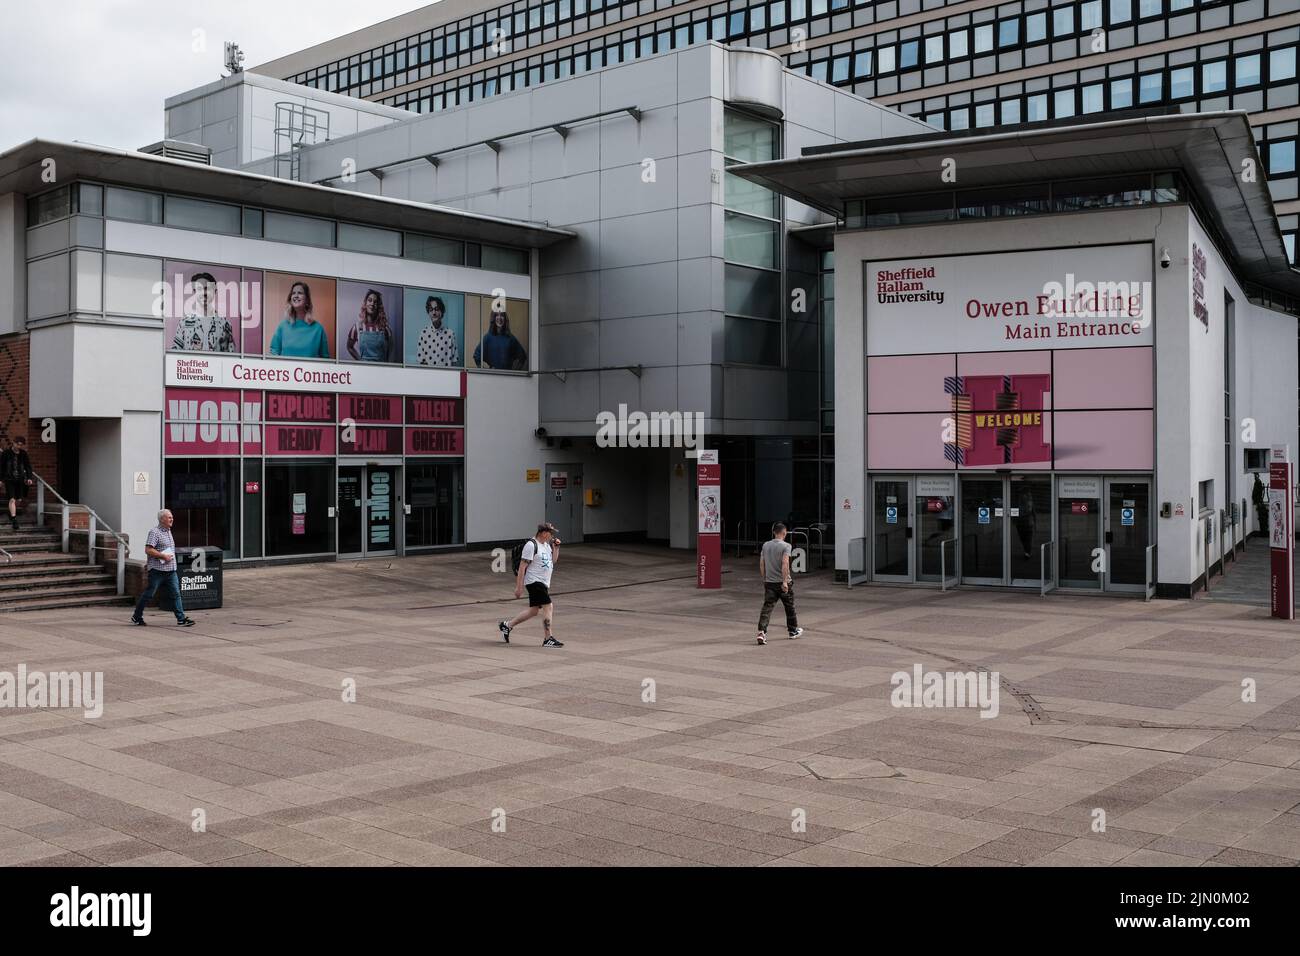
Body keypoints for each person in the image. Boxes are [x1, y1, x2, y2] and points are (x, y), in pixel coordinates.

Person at [498, 522, 564, 647]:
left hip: (543, 583)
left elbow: (553, 561)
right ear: (544, 533)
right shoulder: (531, 545)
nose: (552, 536)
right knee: (548, 606)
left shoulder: (546, 545)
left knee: (534, 611)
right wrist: (519, 587)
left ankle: (507, 626)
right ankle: (548, 638)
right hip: (534, 581)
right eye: (551, 533)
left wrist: (556, 548)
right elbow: (522, 567)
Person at [131, 509, 196, 627]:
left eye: (172, 517)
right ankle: (137, 616)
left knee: (176, 594)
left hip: (171, 570)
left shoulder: (168, 531)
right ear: (162, 519)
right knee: (149, 594)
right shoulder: (154, 532)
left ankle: (181, 619)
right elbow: (148, 549)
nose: (172, 519)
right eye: (169, 517)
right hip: (157, 571)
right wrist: (162, 556)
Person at [756, 522, 803, 645]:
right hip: (782, 583)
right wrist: (784, 581)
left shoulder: (766, 545)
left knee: (767, 608)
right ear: (784, 532)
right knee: (789, 607)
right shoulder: (786, 546)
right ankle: (793, 631)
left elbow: (762, 563)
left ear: (774, 532)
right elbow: (785, 563)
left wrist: (764, 579)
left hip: (769, 582)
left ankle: (761, 632)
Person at [172, 271, 236, 352]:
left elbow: (231, 354)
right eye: (199, 289)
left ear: (214, 291)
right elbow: (175, 353)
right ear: (194, 292)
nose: (203, 293)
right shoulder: (184, 322)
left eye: (207, 288)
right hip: (191, 364)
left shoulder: (224, 324)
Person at [268, 281, 330, 358]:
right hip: (286, 370)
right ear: (290, 299)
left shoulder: (318, 329)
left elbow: (325, 359)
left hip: (309, 370)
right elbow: (273, 353)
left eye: (300, 293)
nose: (296, 296)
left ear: (307, 300)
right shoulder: (282, 326)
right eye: (293, 293)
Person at [345, 289, 393, 362]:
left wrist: (387, 364)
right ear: (365, 303)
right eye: (370, 300)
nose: (372, 304)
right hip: (364, 371)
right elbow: (349, 347)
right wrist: (360, 361)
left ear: (378, 306)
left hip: (381, 370)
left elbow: (391, 349)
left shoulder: (385, 328)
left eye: (375, 302)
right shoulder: (357, 327)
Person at [1, 435, 34, 531]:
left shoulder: (23, 454)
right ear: (13, 442)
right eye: (17, 444)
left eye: (20, 445)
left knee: (18, 500)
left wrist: (29, 477)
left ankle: (12, 512)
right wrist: (1, 479)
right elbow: (1, 467)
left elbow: (28, 466)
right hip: (9, 479)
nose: (18, 446)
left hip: (20, 480)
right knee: (12, 499)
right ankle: (14, 519)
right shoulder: (6, 453)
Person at [416, 295, 459, 367]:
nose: (434, 313)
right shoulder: (423, 334)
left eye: (436, 309)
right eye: (431, 310)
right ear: (428, 313)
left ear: (441, 311)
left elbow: (454, 361)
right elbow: (421, 362)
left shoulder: (450, 334)